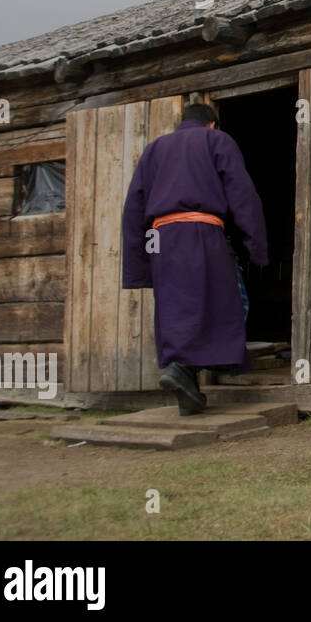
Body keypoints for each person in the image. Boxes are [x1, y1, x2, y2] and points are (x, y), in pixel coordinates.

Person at [121, 103, 268, 414]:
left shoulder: (153, 150)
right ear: (212, 124)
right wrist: (256, 245)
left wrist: (140, 263)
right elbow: (242, 193)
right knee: (226, 303)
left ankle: (189, 389)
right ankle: (185, 371)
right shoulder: (217, 141)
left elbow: (133, 208)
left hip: (160, 238)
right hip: (202, 232)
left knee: (176, 308)